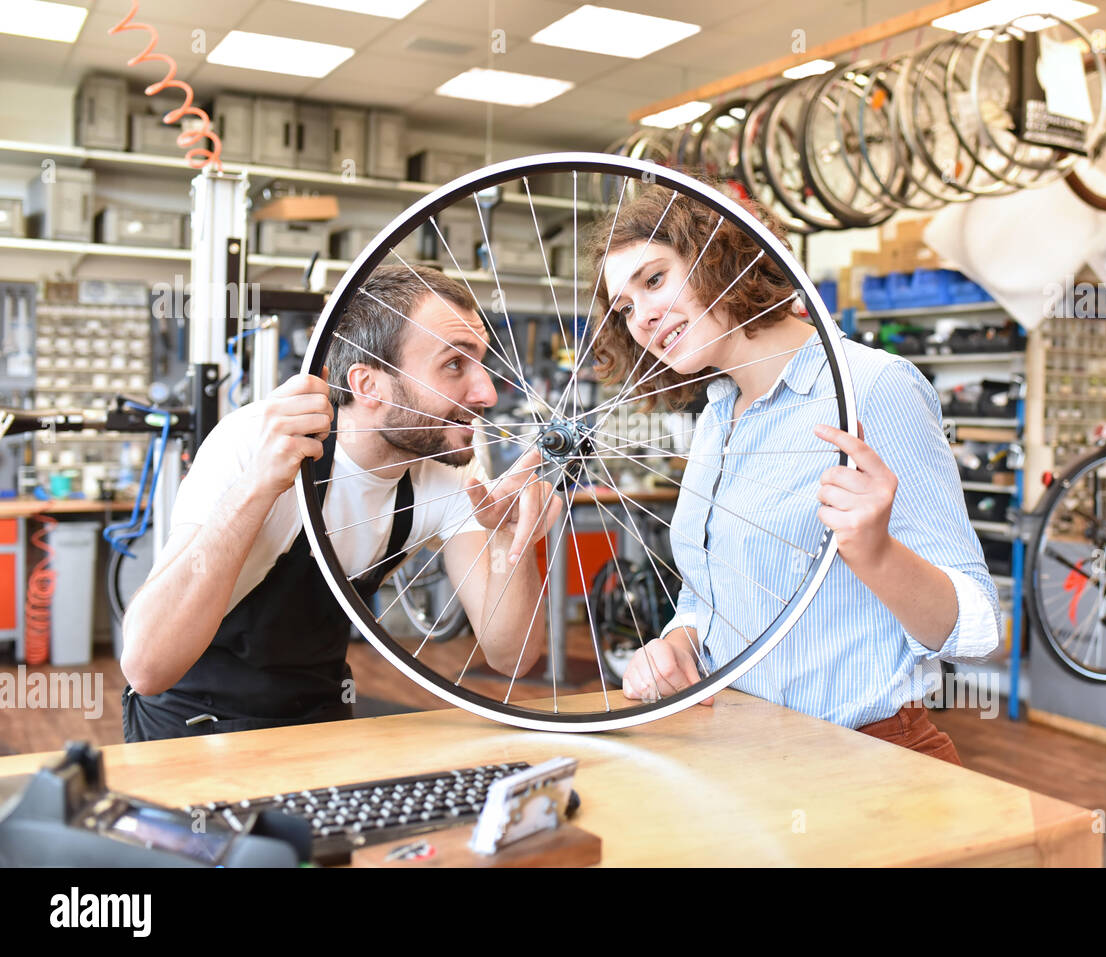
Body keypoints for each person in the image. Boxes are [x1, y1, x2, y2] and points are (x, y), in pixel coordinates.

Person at [587, 186, 1000, 766]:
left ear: (718, 257)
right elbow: (715, 595)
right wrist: (681, 641)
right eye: (625, 308)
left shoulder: (874, 388)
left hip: (865, 760)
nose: (643, 318)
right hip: (737, 750)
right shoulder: (715, 417)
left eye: (654, 280)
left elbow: (980, 631)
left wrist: (877, 553)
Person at [120, 264, 561, 741]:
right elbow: (146, 666)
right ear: (368, 384)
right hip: (192, 730)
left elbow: (511, 656)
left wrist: (511, 536)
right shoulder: (260, 443)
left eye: (482, 364)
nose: (487, 393)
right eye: (454, 364)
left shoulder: (449, 463)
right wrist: (257, 489)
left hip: (318, 722)